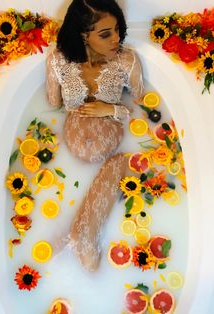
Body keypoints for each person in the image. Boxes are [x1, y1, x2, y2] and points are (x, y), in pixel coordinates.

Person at [46, 0, 144, 272]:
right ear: (82, 35)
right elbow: (52, 102)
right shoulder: (58, 60)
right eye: (105, 34)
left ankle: (80, 234)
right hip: (70, 153)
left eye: (116, 30)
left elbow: (140, 103)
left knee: (125, 162)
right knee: (122, 166)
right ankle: (82, 233)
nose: (116, 39)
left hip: (111, 146)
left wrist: (110, 108)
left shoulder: (127, 60)